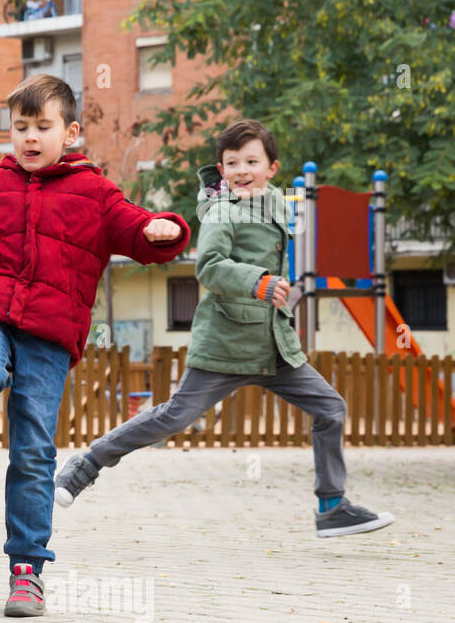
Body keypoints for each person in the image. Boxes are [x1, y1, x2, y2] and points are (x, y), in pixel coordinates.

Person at [0, 74, 191, 616]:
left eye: (43, 127)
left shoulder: (96, 194)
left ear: (71, 131)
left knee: (34, 447)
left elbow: (140, 230)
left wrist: (166, 229)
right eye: (21, 127)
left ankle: (27, 570)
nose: (31, 138)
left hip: (51, 332)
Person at [55, 118, 394, 538]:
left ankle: (331, 506)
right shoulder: (222, 210)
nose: (241, 171)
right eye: (231, 163)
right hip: (225, 344)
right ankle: (87, 464)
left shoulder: (274, 203)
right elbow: (209, 267)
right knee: (174, 417)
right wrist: (259, 282)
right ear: (221, 168)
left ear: (272, 168)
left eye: (252, 161)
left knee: (330, 408)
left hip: (274, 348)